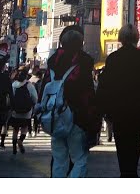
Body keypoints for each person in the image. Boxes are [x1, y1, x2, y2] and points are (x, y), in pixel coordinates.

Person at [95, 24, 140, 177]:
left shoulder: (113, 58)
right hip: (138, 110)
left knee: (122, 150)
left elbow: (104, 86)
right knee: (134, 149)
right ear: (136, 38)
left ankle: (125, 175)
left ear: (121, 38)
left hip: (119, 112)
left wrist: (103, 110)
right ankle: (132, 175)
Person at [44, 25, 99, 178]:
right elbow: (87, 93)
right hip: (76, 116)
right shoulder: (84, 61)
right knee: (79, 159)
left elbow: (45, 88)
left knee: (59, 158)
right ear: (81, 42)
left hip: (55, 116)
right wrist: (93, 119)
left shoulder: (53, 61)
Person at [8, 68, 37, 155]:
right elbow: (35, 98)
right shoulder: (29, 85)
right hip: (26, 112)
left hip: (15, 112)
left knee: (15, 129)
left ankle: (14, 148)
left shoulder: (14, 85)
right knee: (24, 128)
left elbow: (10, 98)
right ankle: (20, 141)